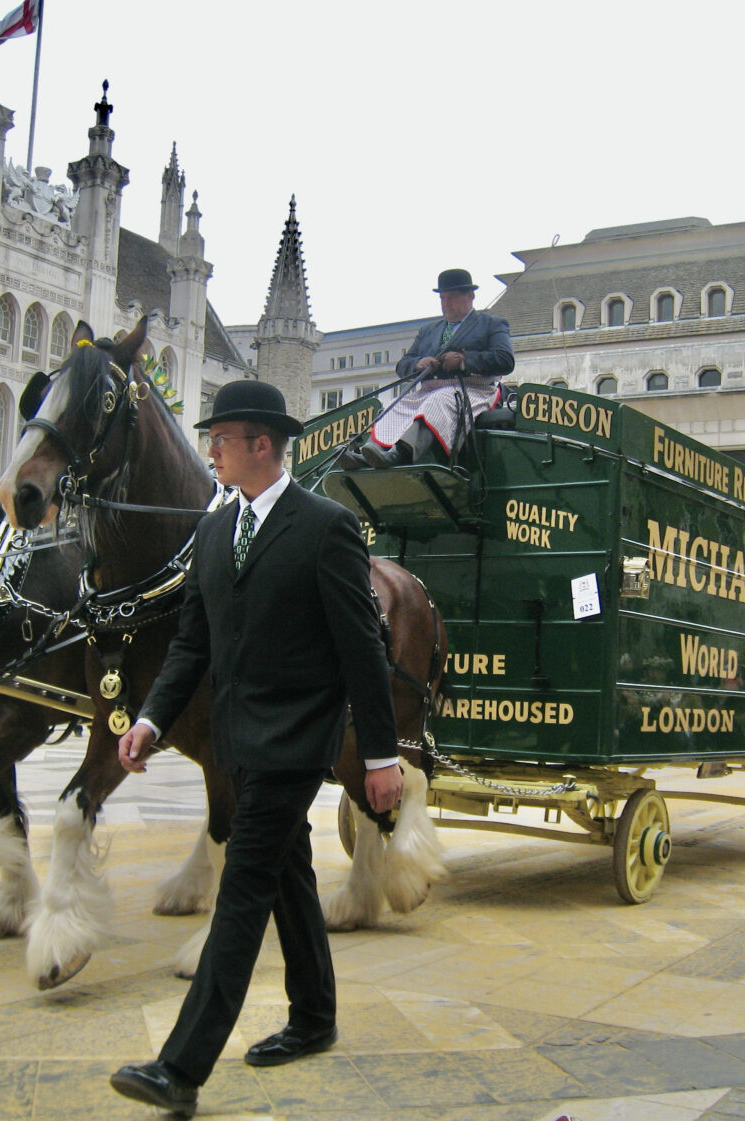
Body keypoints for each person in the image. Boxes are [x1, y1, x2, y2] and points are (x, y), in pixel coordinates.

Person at [108, 379, 402, 1118]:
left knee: (240, 891)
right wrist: (150, 717)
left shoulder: (324, 527)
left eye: (222, 438)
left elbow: (363, 650)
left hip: (296, 742)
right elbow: (191, 643)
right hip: (236, 742)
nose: (211, 450)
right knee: (287, 875)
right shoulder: (214, 532)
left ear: (261, 444)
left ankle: (181, 1066)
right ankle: (314, 1016)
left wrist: (380, 754)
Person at [344, 268, 514, 469]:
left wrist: (463, 361)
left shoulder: (492, 324)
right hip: (428, 390)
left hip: (473, 389)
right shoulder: (428, 331)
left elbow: (505, 360)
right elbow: (403, 365)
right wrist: (418, 364)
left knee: (437, 402)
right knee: (396, 404)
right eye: (442, 298)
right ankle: (372, 452)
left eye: (451, 297)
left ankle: (400, 454)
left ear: (470, 296)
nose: (446, 304)